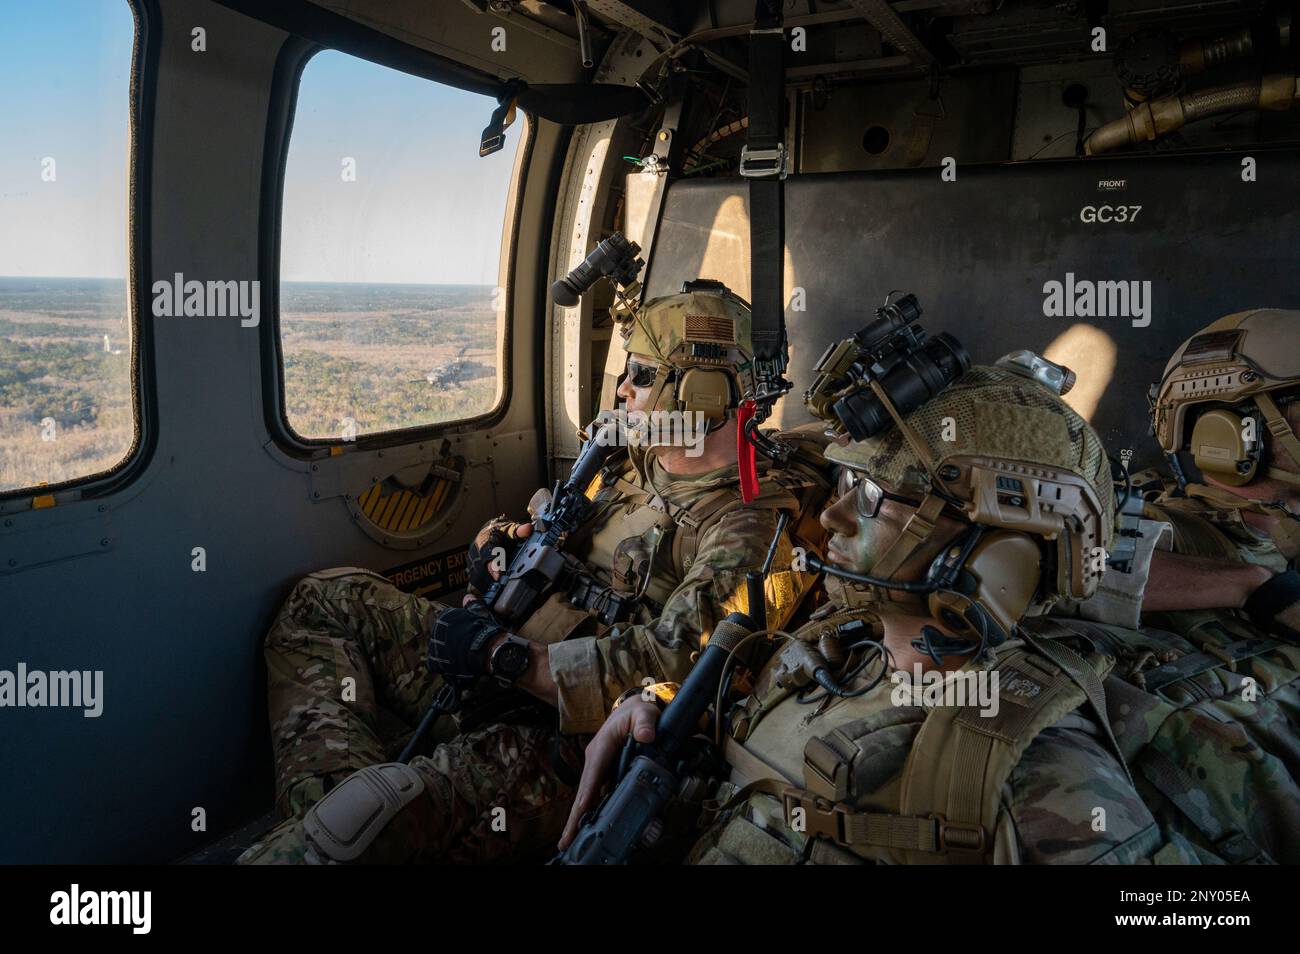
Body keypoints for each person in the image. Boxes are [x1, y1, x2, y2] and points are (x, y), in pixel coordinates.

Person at [238, 281, 831, 864]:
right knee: (325, 600)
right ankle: (342, 812)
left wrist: (504, 657)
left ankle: (355, 823)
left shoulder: (753, 523)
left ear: (701, 392)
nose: (622, 388)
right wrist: (494, 547)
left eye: (642, 374)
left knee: (358, 826)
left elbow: (680, 668)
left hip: (568, 734)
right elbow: (547, 528)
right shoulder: (633, 461)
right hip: (501, 658)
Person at [562, 358, 1199, 864]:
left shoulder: (1034, 776)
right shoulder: (838, 639)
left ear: (993, 553)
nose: (833, 517)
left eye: (872, 496)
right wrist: (654, 709)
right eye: (847, 483)